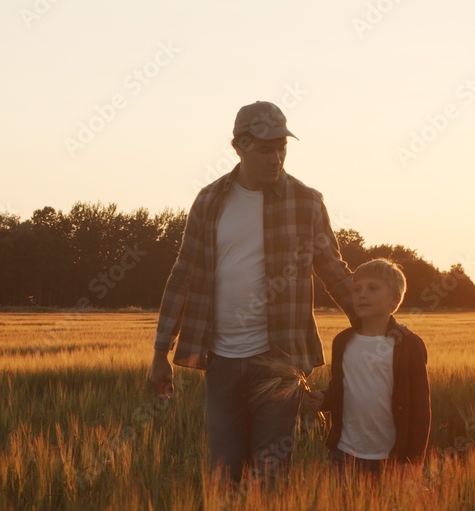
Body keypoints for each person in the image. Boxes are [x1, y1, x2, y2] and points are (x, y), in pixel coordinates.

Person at [146, 100, 357, 483]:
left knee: (272, 474)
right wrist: (161, 351)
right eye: (265, 148)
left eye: (282, 148)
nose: (276, 158)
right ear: (239, 146)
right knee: (224, 471)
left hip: (279, 360)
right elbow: (183, 274)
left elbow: (333, 269)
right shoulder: (209, 201)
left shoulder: (306, 201)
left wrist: (377, 322)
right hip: (221, 359)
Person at [304, 258, 431, 476]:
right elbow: (340, 388)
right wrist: (324, 399)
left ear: (393, 300)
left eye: (372, 288)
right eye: (356, 289)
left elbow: (420, 408)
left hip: (391, 457)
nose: (361, 294)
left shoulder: (409, 344)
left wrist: (412, 460)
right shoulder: (342, 342)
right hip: (345, 453)